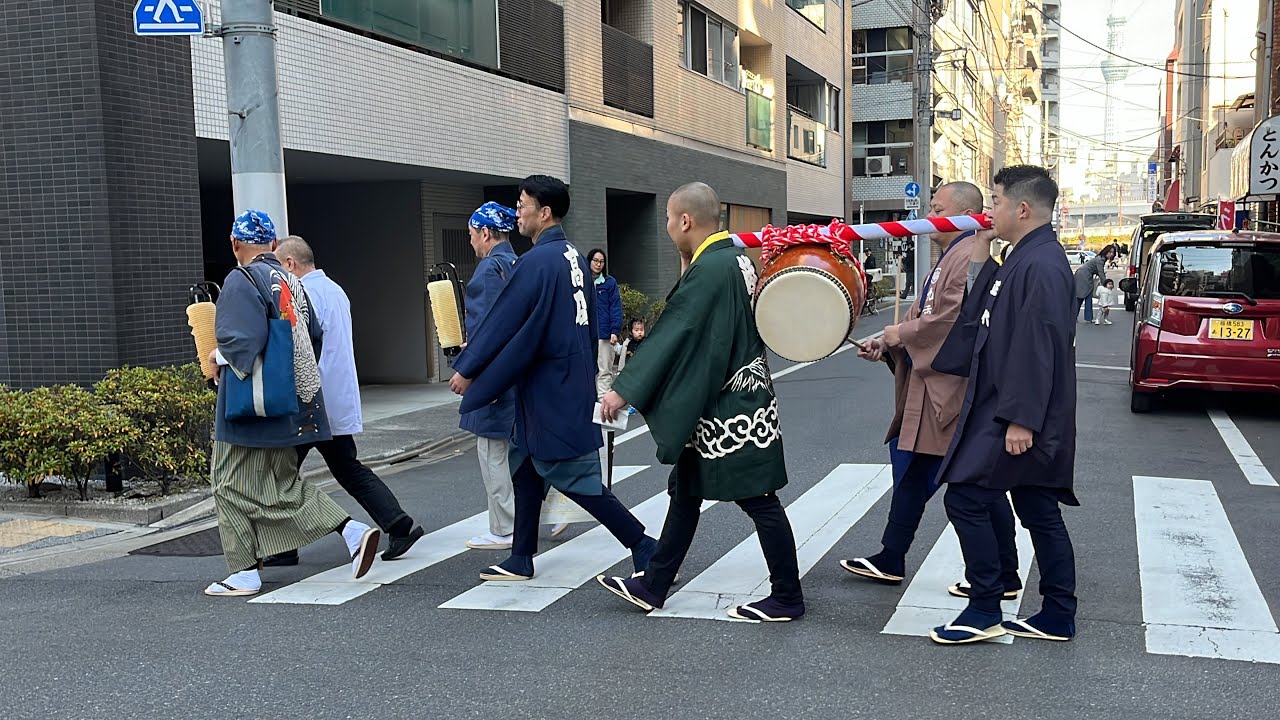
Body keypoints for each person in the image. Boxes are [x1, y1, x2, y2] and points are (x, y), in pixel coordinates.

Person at [595, 182, 804, 622]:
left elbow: (676, 332)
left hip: (730, 405)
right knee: (686, 489)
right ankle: (653, 584)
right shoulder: (734, 260)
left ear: (685, 220)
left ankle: (787, 596)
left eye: (669, 218)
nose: (668, 225)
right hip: (737, 394)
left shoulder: (711, 269)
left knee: (758, 497)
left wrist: (624, 388)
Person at [448, 175, 657, 581]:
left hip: (549, 389)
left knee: (575, 476)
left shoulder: (536, 263)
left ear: (544, 212)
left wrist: (469, 369)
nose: (518, 212)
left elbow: (503, 323)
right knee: (526, 470)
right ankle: (521, 556)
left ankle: (644, 545)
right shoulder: (573, 257)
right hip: (564, 381)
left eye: (523, 204)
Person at [838, 182, 1021, 603]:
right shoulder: (950, 258)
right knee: (920, 478)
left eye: (937, 209)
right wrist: (888, 343)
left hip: (949, 394)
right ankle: (892, 557)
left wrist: (898, 332)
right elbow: (928, 314)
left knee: (973, 489)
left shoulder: (965, 258)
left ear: (961, 213)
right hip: (933, 390)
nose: (929, 216)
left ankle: (1000, 574)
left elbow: (951, 319)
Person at [929, 165, 1078, 644]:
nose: (988, 210)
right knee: (1037, 509)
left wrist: (1021, 419)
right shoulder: (1025, 256)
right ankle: (1056, 614)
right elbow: (980, 309)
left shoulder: (1042, 264)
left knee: (966, 497)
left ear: (1022, 208)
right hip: (1012, 407)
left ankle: (985, 607)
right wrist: (982, 245)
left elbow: (1039, 347)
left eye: (994, 201)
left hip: (1017, 412)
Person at [204, 210, 380, 597]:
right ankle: (347, 533)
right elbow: (313, 334)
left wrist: (215, 358)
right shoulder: (289, 280)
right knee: (279, 481)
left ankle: (246, 571)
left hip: (249, 405)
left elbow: (241, 342)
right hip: (291, 402)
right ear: (271, 244)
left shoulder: (241, 279)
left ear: (235, 244)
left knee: (227, 482)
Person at [269, 237, 426, 566]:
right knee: (345, 468)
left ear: (289, 264)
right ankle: (398, 524)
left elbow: (299, 351)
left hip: (311, 400)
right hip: (333, 396)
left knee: (279, 475)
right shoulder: (334, 290)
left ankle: (284, 547)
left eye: (278, 266)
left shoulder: (302, 294)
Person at [454, 202, 520, 550]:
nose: (471, 243)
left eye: (471, 235)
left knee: (492, 451)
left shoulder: (488, 270)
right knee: (522, 450)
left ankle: (503, 527)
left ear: (484, 232)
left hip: (495, 375)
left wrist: (471, 371)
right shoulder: (518, 264)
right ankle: (543, 512)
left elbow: (489, 328)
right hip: (521, 372)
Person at [587, 248, 623, 398]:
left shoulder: (609, 283)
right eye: (595, 260)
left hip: (604, 333)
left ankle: (603, 400)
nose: (598, 264)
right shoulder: (582, 280)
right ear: (589, 261)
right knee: (586, 368)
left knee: (604, 370)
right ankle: (588, 398)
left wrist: (615, 330)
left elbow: (615, 307)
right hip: (586, 332)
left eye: (601, 261)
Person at [1073, 245, 1115, 322]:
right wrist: (1106, 284)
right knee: (1081, 296)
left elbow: (1100, 273)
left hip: (1084, 275)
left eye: (1112, 252)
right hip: (1084, 275)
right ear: (1106, 252)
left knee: (1086, 295)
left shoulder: (1101, 258)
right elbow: (1101, 273)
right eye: (1110, 252)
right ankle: (1075, 316)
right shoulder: (1100, 260)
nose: (1111, 254)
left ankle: (1086, 317)